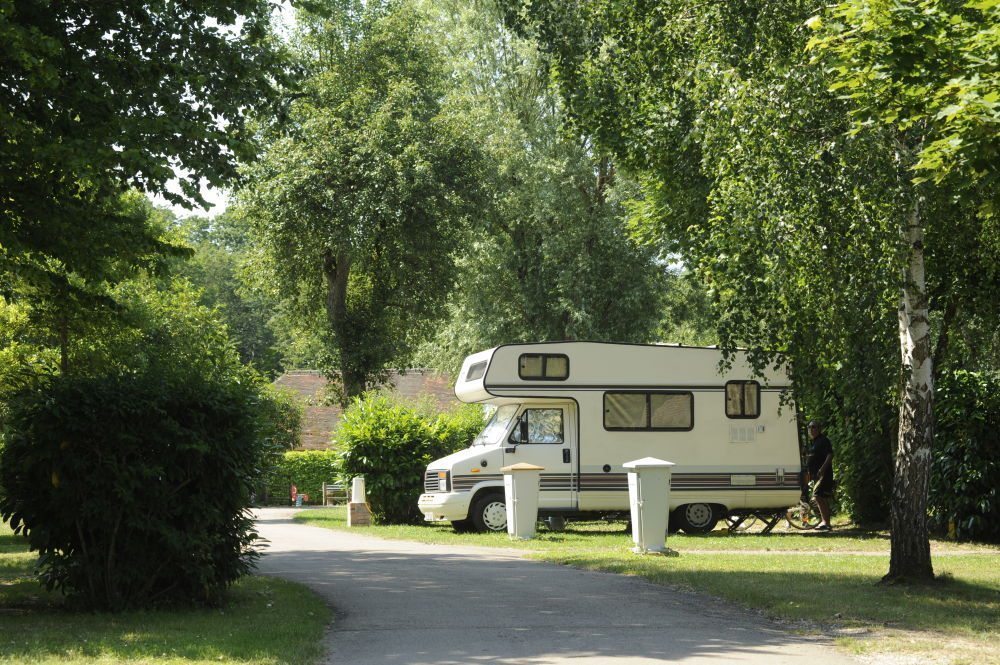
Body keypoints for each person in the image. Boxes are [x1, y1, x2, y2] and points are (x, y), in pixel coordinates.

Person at [806, 420, 834, 531]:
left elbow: (830, 455)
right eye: (809, 427)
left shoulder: (823, 440)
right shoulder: (814, 442)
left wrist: (822, 469)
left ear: (819, 428)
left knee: (818, 495)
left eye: (814, 427)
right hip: (816, 475)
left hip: (824, 474)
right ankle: (825, 522)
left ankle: (826, 523)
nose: (811, 429)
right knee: (819, 496)